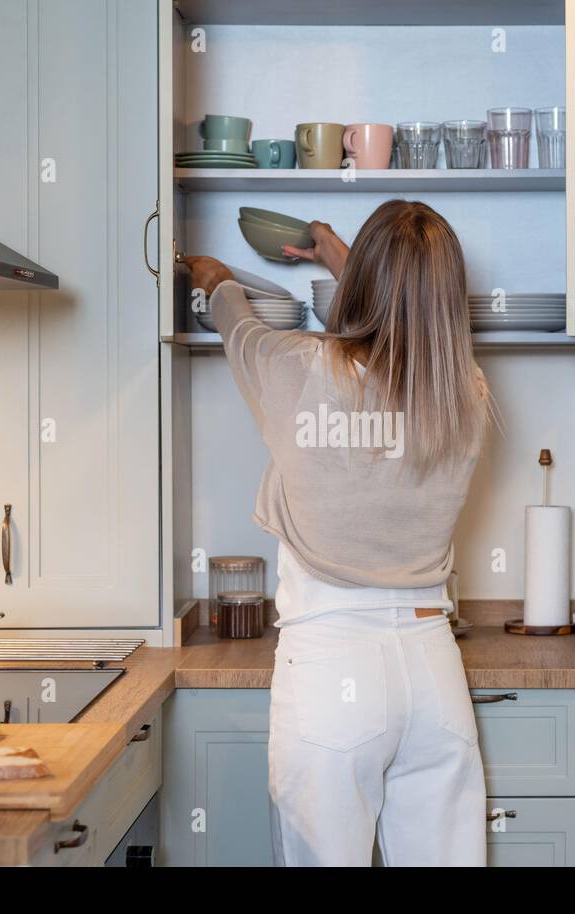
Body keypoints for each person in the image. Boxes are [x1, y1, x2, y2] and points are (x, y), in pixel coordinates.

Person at [184, 199, 491, 867]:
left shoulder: (296, 368)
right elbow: (405, 326)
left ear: (362, 286)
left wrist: (213, 277)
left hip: (331, 671)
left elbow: (237, 325)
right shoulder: (466, 393)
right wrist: (332, 250)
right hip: (435, 674)